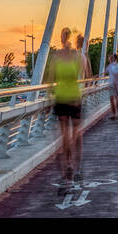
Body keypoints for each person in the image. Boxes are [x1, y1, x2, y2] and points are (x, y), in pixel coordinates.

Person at [48, 27, 84, 179]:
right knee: (76, 133)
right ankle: (78, 166)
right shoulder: (76, 56)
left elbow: (50, 81)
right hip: (74, 98)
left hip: (61, 98)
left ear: (61, 38)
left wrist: (51, 99)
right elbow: (81, 74)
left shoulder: (56, 57)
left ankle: (67, 164)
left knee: (64, 135)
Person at [106, 51, 118, 120]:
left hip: (116, 85)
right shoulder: (109, 66)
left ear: (114, 58)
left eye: (111, 57)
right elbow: (105, 73)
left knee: (117, 100)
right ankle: (114, 114)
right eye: (109, 57)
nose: (109, 58)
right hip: (111, 84)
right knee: (111, 100)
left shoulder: (117, 66)